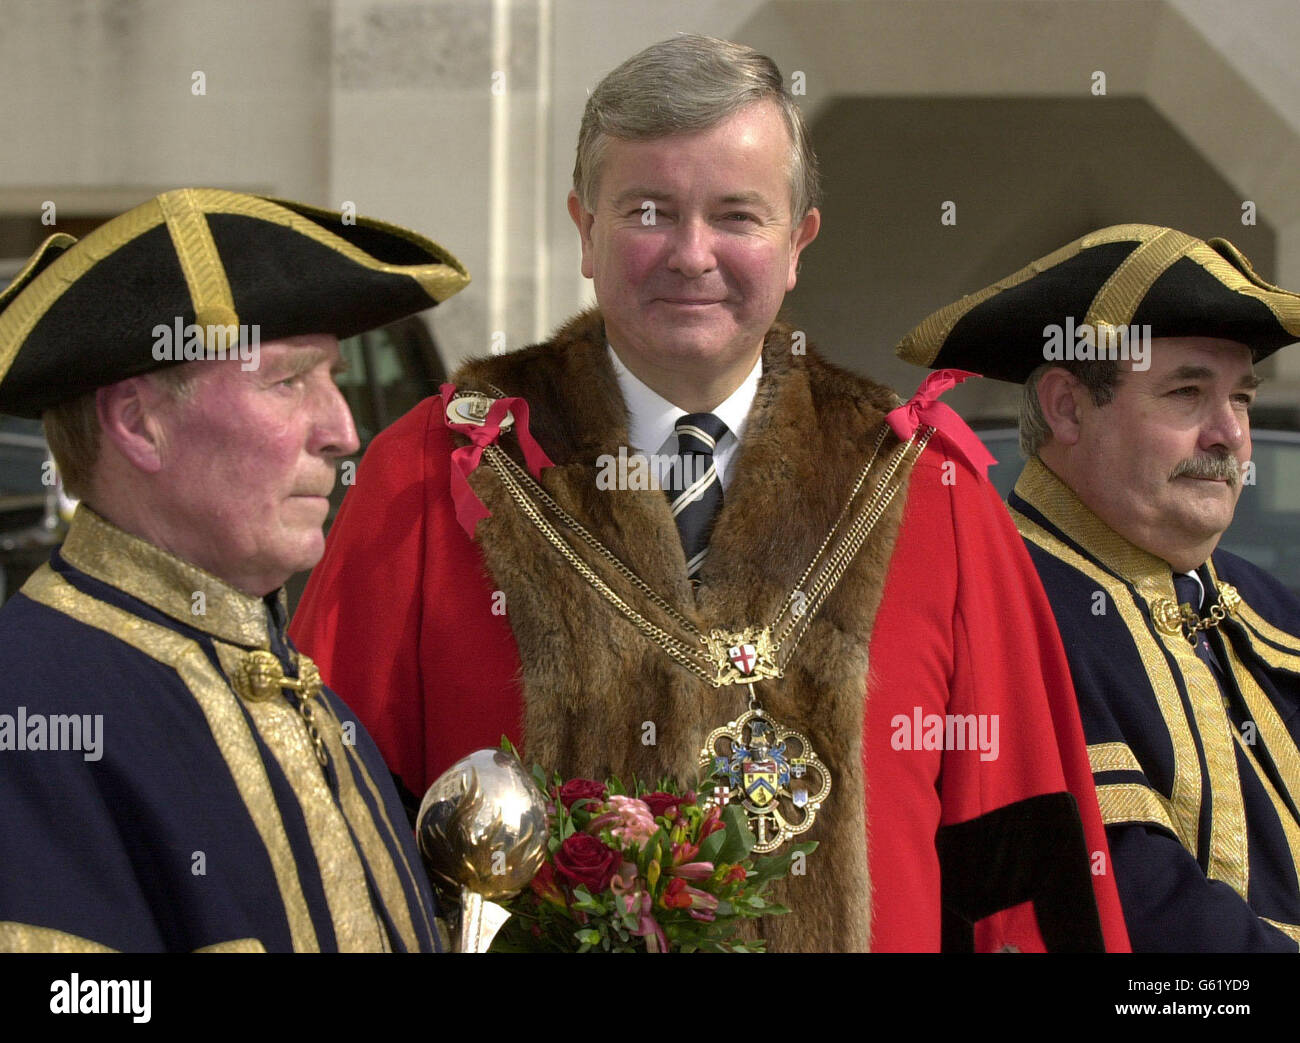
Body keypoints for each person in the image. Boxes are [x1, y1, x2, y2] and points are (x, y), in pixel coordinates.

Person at [292, 36, 1128, 952]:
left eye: (737, 215)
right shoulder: (432, 474)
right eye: (649, 211)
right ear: (583, 229)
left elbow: (1023, 866)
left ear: (798, 240)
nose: (692, 255)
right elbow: (327, 835)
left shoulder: (931, 491)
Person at [0, 187, 470, 952]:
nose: (343, 432)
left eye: (335, 378)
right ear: (137, 421)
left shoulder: (307, 699)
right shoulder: (30, 711)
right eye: (288, 382)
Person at [896, 223, 1300, 951]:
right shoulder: (1005, 609)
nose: (1230, 436)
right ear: (1068, 408)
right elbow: (1141, 912)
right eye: (1187, 393)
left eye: (1239, 398)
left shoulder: (1270, 607)